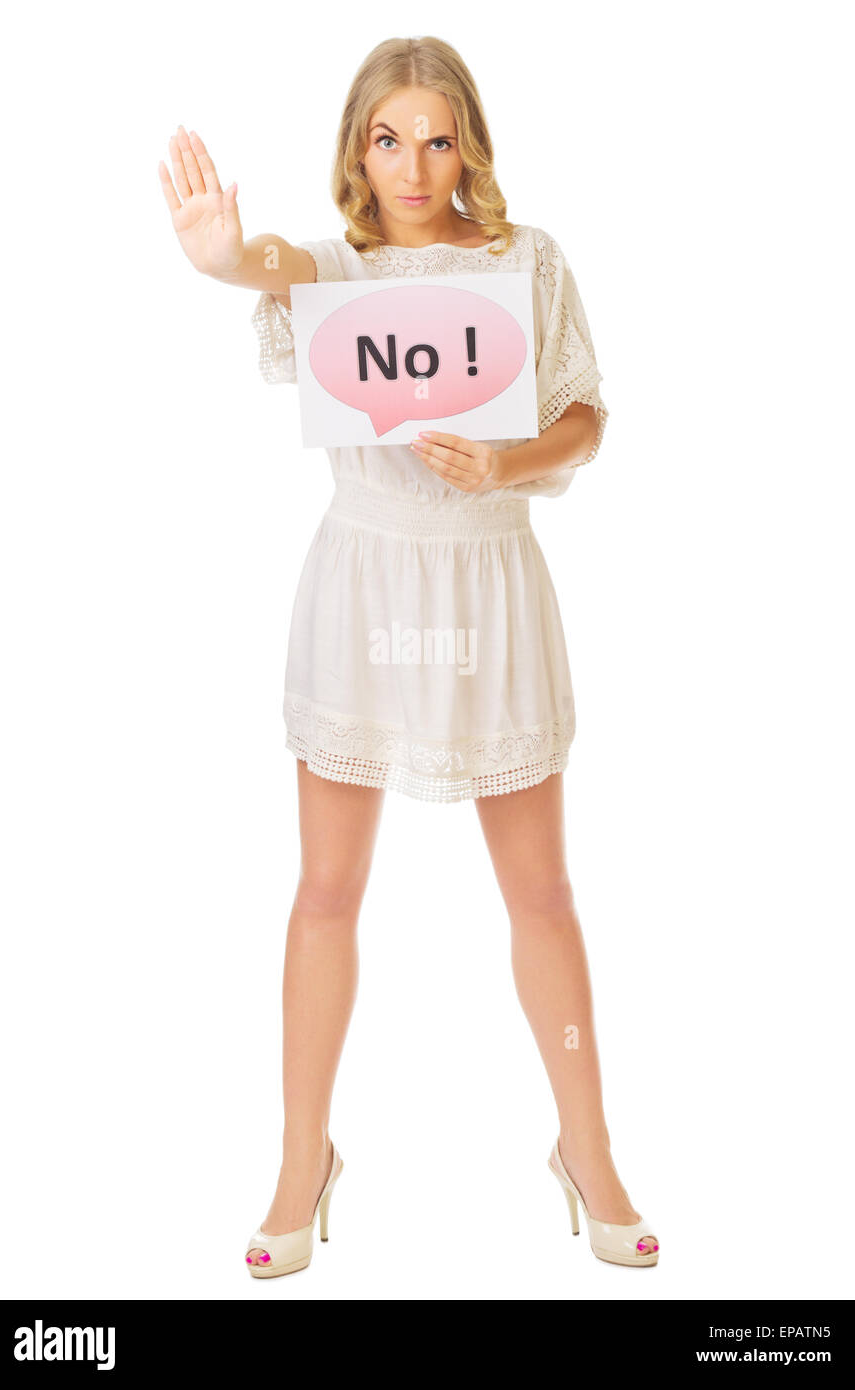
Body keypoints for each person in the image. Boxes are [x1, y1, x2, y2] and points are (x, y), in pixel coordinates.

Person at [158, 34, 660, 1278]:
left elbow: (587, 414)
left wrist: (509, 460)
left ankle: (586, 1150)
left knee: (538, 890)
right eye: (388, 138)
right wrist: (224, 258)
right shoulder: (335, 272)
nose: (413, 164)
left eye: (436, 137)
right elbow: (266, 263)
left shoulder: (524, 263)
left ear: (467, 144)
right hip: (364, 588)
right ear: (357, 151)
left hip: (491, 587)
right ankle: (300, 1157)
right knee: (325, 887)